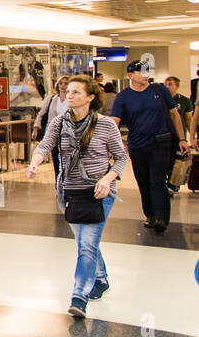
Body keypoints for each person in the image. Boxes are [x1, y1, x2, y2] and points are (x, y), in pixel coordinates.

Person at [27, 76, 127, 317]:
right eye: (68, 91)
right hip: (70, 192)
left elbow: (121, 158)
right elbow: (45, 145)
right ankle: (100, 277)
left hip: (99, 193)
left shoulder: (106, 125)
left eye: (76, 92)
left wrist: (107, 179)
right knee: (85, 242)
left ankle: (79, 297)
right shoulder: (60, 122)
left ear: (90, 97)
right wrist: (35, 162)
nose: (69, 95)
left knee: (87, 244)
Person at [109, 60, 189, 233]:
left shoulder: (159, 91)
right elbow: (114, 122)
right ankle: (150, 215)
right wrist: (113, 146)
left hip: (161, 143)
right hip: (137, 146)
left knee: (157, 180)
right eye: (141, 71)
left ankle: (161, 218)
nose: (146, 74)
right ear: (130, 76)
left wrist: (182, 139)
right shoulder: (123, 97)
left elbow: (174, 115)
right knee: (143, 181)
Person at [34, 76, 71, 179]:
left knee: (67, 160)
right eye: (61, 83)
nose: (63, 86)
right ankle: (58, 181)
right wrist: (36, 128)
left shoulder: (71, 99)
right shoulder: (52, 99)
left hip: (68, 134)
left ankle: (66, 181)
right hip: (54, 132)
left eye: (66, 83)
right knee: (56, 159)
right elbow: (41, 114)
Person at [164, 76, 193, 194]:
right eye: (165, 84)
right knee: (164, 161)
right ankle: (164, 183)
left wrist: (192, 136)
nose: (167, 87)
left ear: (177, 86)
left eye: (170, 84)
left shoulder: (184, 101)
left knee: (176, 161)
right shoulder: (160, 100)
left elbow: (188, 119)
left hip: (178, 137)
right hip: (163, 136)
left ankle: (173, 185)